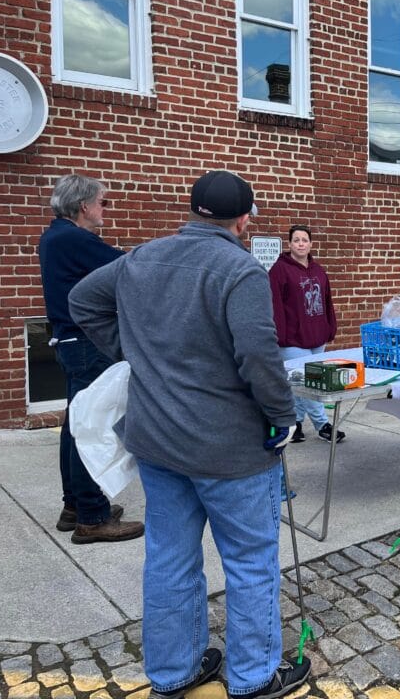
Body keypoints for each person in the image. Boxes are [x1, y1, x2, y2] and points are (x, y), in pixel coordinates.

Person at [69, 170, 310, 699]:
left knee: (170, 559)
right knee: (250, 562)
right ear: (243, 220)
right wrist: (283, 416)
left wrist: (134, 352)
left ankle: (174, 673)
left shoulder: (140, 258)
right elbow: (259, 357)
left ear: (193, 211)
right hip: (231, 451)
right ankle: (252, 678)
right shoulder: (239, 269)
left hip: (159, 442)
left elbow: (82, 301)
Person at [37, 174, 144, 544]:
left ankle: (75, 505)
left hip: (69, 341)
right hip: (86, 342)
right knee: (93, 426)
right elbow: (126, 266)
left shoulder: (55, 236)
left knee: (76, 423)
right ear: (84, 205)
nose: (105, 209)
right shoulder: (74, 238)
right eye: (103, 202)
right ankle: (92, 517)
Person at [269, 224, 343, 444]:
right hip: (292, 339)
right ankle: (323, 425)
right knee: (312, 381)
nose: (300, 244)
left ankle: (296, 423)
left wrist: (330, 327)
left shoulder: (318, 270)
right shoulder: (279, 270)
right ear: (289, 244)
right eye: (296, 240)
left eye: (304, 240)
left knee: (300, 383)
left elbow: (327, 301)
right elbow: (273, 305)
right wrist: (279, 335)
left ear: (311, 244)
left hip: (316, 336)